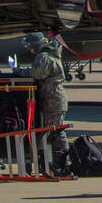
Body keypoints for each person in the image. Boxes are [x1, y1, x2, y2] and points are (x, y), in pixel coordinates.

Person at [27, 34, 72, 174]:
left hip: (52, 99)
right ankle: (58, 162)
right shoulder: (51, 52)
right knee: (55, 131)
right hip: (54, 98)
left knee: (56, 132)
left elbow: (37, 74)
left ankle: (64, 163)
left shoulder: (44, 56)